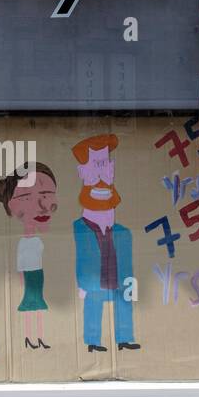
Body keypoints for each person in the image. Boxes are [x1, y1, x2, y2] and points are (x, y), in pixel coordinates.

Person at [71, 134, 140, 353]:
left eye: (105, 167)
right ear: (83, 173)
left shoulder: (122, 232)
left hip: (119, 276)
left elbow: (127, 259)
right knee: (93, 301)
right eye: (95, 168)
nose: (101, 178)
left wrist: (131, 282)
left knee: (123, 302)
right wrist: (81, 283)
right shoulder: (80, 227)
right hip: (94, 277)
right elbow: (80, 254)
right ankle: (92, 341)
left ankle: (124, 338)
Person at [0, 163, 58, 350]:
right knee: (30, 308)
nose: (41, 204)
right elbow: (21, 263)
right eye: (27, 197)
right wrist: (22, 279)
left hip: (37, 275)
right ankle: (30, 337)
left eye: (47, 194)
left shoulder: (37, 240)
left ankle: (38, 337)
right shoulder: (24, 241)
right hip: (30, 276)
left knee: (38, 307)